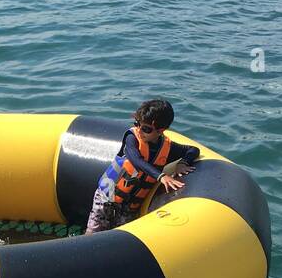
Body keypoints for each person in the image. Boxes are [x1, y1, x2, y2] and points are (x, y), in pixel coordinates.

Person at [84, 99, 199, 234]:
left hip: (130, 207)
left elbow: (193, 150)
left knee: (120, 237)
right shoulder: (131, 138)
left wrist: (182, 163)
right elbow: (135, 160)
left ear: (161, 130)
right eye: (137, 124)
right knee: (93, 233)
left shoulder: (167, 148)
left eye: (146, 129)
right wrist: (161, 176)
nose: (140, 130)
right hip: (106, 197)